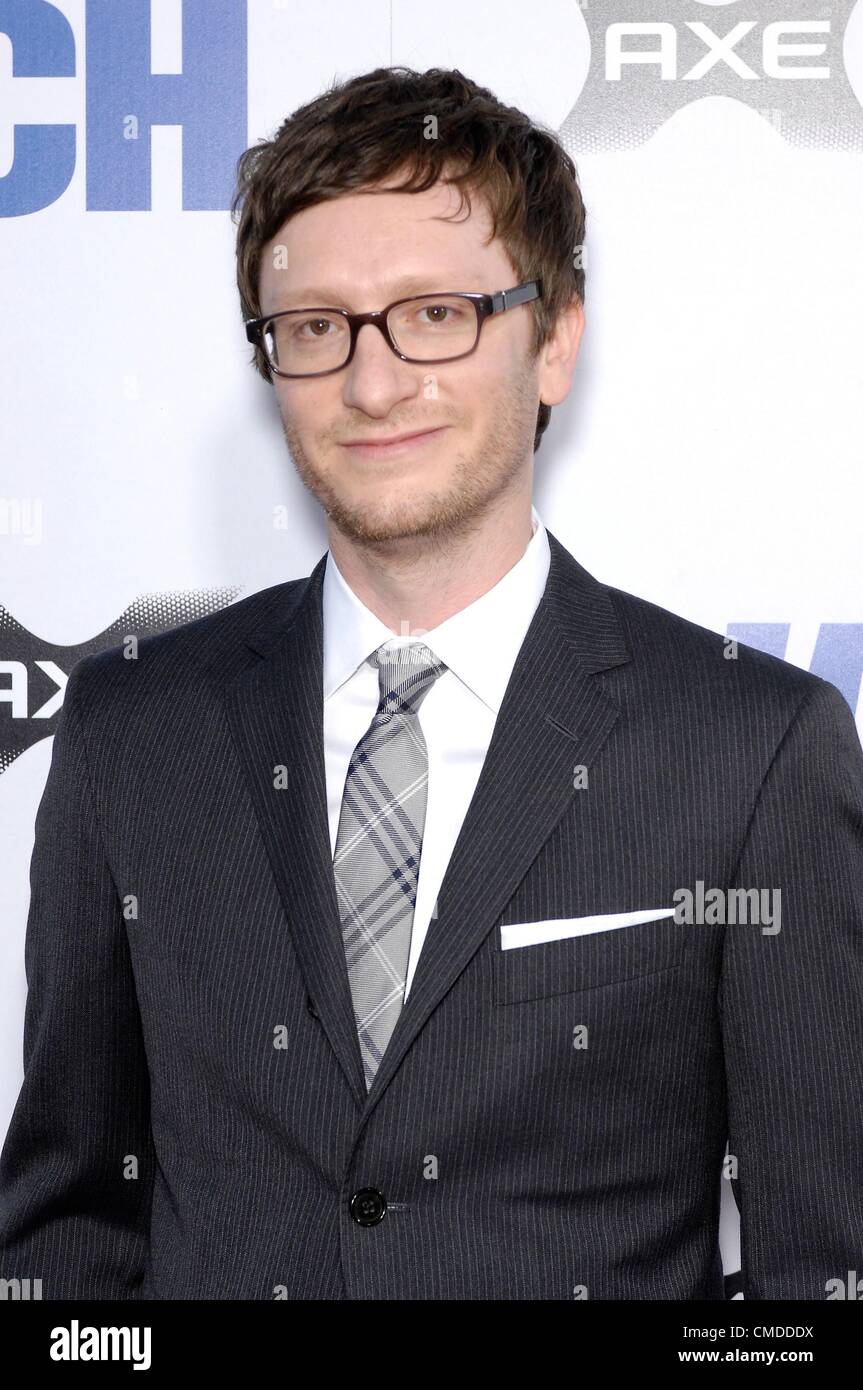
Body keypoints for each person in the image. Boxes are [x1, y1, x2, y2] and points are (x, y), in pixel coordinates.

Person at [1, 66, 861, 1301]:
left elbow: (816, 1275)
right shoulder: (133, 731)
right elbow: (69, 1228)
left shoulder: (750, 748)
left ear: (553, 337)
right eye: (316, 328)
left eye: (435, 314)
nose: (370, 381)